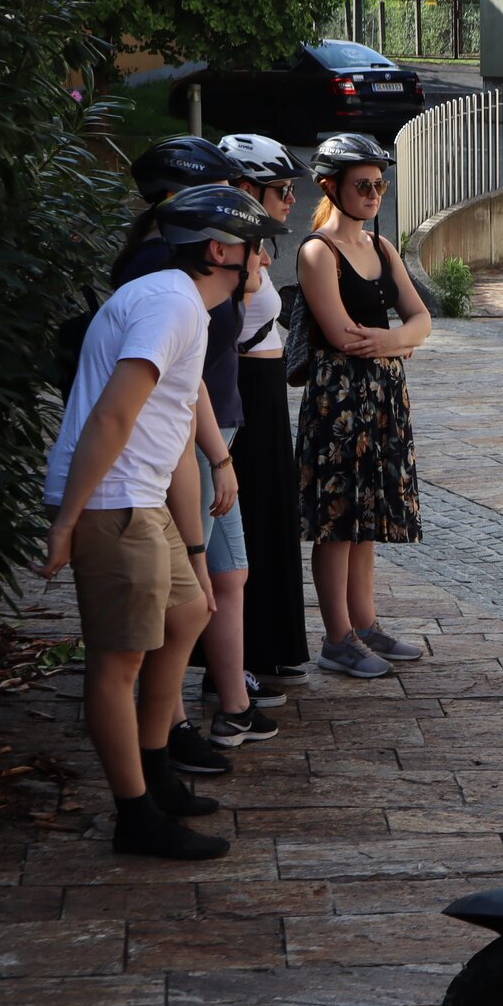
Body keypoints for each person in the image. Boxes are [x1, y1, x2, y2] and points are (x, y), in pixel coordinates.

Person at [36, 185, 287, 860]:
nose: (264, 261)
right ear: (220, 251)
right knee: (117, 664)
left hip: (139, 496)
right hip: (111, 499)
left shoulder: (188, 310)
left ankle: (156, 773)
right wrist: (66, 521)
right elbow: (115, 415)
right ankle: (135, 815)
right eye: (255, 247)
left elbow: (174, 435)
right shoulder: (172, 304)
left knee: (187, 613)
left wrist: (199, 558)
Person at [114, 137, 271, 770]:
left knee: (218, 579)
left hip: (210, 432)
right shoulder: (164, 274)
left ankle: (219, 706)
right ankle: (172, 727)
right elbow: (182, 379)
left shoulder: (174, 268)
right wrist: (216, 451)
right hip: (185, 439)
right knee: (191, 589)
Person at [295, 132, 432, 679]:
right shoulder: (315, 252)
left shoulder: (382, 248)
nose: (375, 193)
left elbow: (422, 321)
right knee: (337, 518)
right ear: (332, 186)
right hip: (339, 399)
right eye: (363, 184)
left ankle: (364, 623)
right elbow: (339, 333)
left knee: (366, 515)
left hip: (380, 397)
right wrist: (394, 342)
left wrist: (389, 341)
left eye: (379, 183)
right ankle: (336, 638)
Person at [218, 134, 315, 697]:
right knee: (248, 516)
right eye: (281, 191)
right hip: (242, 391)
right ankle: (242, 657)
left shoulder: (258, 241)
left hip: (266, 390)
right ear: (248, 188)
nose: (288, 202)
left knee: (272, 513)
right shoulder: (228, 246)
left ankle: (271, 647)